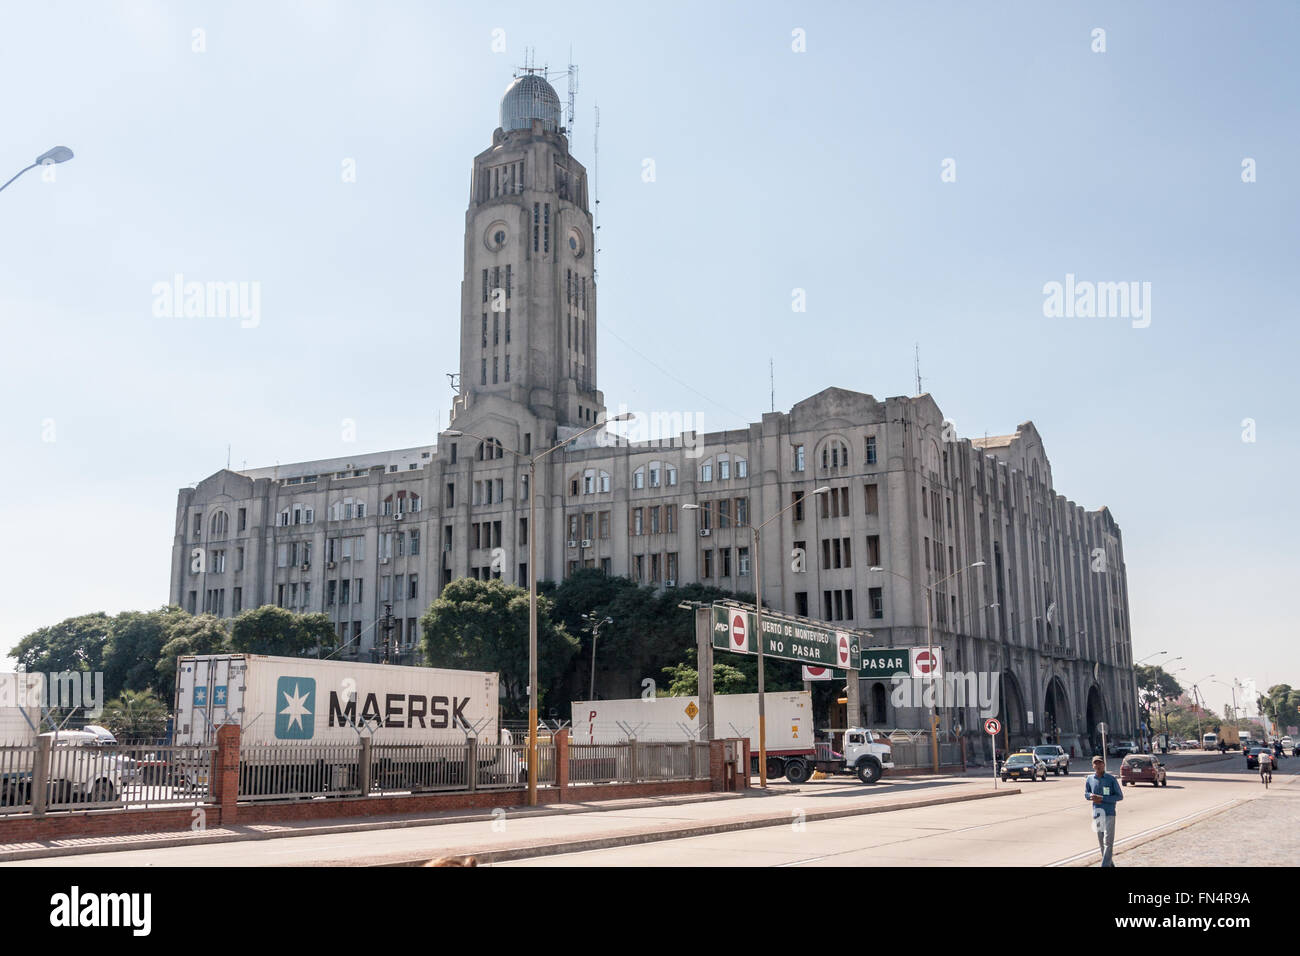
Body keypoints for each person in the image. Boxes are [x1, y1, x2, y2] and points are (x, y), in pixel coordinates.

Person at [1084, 756, 1124, 866]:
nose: (1098, 766)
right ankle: (1110, 864)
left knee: (1108, 842)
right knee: (1101, 842)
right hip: (1097, 813)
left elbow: (1119, 796)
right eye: (1095, 764)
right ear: (1093, 766)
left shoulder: (1111, 779)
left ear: (1104, 765)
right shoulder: (1090, 779)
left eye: (1100, 763)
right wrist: (1090, 796)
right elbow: (1086, 794)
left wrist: (1103, 798)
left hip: (1109, 813)